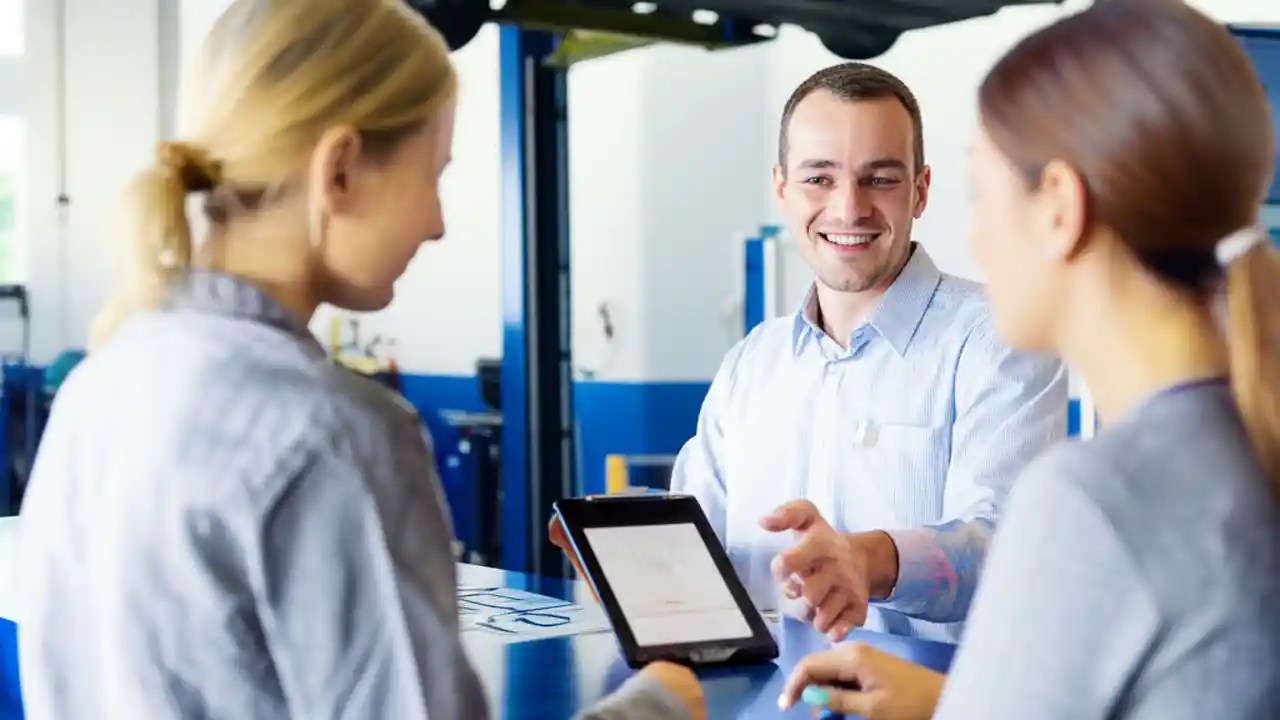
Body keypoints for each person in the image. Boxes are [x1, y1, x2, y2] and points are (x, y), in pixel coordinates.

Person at [16, 2, 704, 719]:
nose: (437, 223)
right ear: (339, 169)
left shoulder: (102, 379)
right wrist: (656, 705)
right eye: (432, 175)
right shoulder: (334, 431)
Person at [778, 2, 1280, 717]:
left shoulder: (1094, 497)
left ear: (1058, 209)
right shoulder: (1245, 444)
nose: (975, 235)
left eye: (983, 192)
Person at [666, 62, 1068, 642]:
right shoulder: (753, 362)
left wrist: (871, 561)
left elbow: (1005, 550)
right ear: (782, 189)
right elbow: (697, 539)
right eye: (818, 179)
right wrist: (634, 556)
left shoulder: (1001, 340)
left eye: (879, 178)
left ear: (920, 191)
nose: (848, 208)